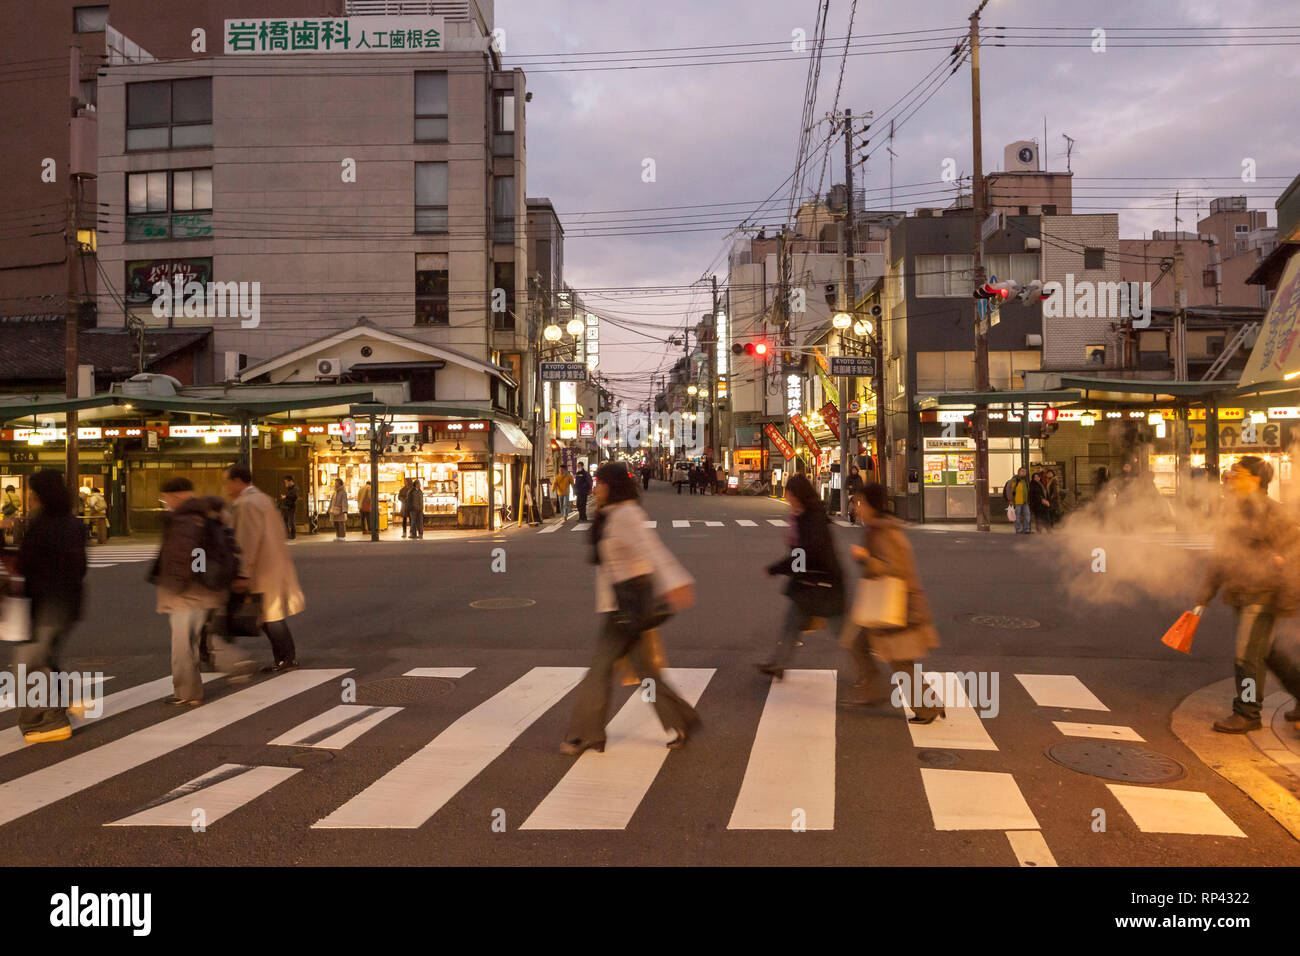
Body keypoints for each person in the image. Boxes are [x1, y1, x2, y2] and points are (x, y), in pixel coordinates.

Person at [560, 462, 699, 755]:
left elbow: (654, 550)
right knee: (646, 672)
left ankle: (586, 733)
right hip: (620, 607)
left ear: (612, 485)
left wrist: (677, 581)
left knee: (599, 670)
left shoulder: (627, 515)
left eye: (600, 482)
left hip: (628, 607)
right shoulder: (610, 514)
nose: (595, 487)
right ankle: (683, 720)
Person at [1196, 456, 1300, 733]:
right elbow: (1221, 557)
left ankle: (1248, 712)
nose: (1231, 476)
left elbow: (1294, 556)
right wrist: (1204, 595)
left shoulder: (1272, 513)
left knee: (1246, 656)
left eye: (1238, 472)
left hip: (1264, 594)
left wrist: (1287, 598)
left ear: (1255, 479)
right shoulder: (1234, 512)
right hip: (1242, 592)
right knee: (1266, 653)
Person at [840, 484, 943, 722]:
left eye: (860, 503)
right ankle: (875, 691)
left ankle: (928, 706)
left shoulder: (886, 532)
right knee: (858, 643)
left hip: (897, 604)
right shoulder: (877, 528)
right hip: (884, 602)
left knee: (899, 659)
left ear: (871, 504)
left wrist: (865, 558)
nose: (857, 508)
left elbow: (893, 568)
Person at [152, 477, 252, 705]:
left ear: (175, 496)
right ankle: (233, 661)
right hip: (210, 590)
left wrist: (178, 586)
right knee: (204, 637)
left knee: (183, 646)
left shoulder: (184, 520)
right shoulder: (206, 515)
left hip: (188, 594)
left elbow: (188, 558)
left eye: (165, 497)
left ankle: (187, 693)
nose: (165, 502)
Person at [11, 471, 86, 743]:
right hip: (67, 603)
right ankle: (62, 703)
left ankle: (48, 720)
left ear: (39, 496)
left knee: (29, 663)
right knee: (45, 657)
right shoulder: (73, 524)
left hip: (45, 604)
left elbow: (25, 564)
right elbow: (80, 567)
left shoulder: (42, 525)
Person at [758, 473, 845, 678]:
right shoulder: (805, 515)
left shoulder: (811, 518)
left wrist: (776, 569)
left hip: (824, 583)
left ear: (798, 495)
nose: (787, 498)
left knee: (845, 632)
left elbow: (805, 553)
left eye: (790, 494)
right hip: (810, 582)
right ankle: (777, 663)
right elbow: (801, 553)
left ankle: (870, 666)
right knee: (792, 620)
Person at [223, 463, 302, 672]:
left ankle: (286, 658)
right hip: (274, 563)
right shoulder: (264, 499)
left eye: (228, 481)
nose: (226, 487)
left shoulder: (246, 504)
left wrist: (242, 573)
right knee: (269, 614)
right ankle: (285, 658)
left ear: (238, 481)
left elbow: (246, 541)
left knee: (270, 615)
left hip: (261, 568)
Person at [1003, 466, 1032, 534]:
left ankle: (1026, 529)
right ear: (1018, 472)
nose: (1024, 473)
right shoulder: (1014, 480)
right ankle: (1018, 529)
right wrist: (1010, 500)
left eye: (1025, 471)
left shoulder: (1026, 481)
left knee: (1027, 515)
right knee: (1017, 516)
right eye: (1022, 471)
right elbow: (1009, 489)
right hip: (1017, 502)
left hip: (1025, 501)